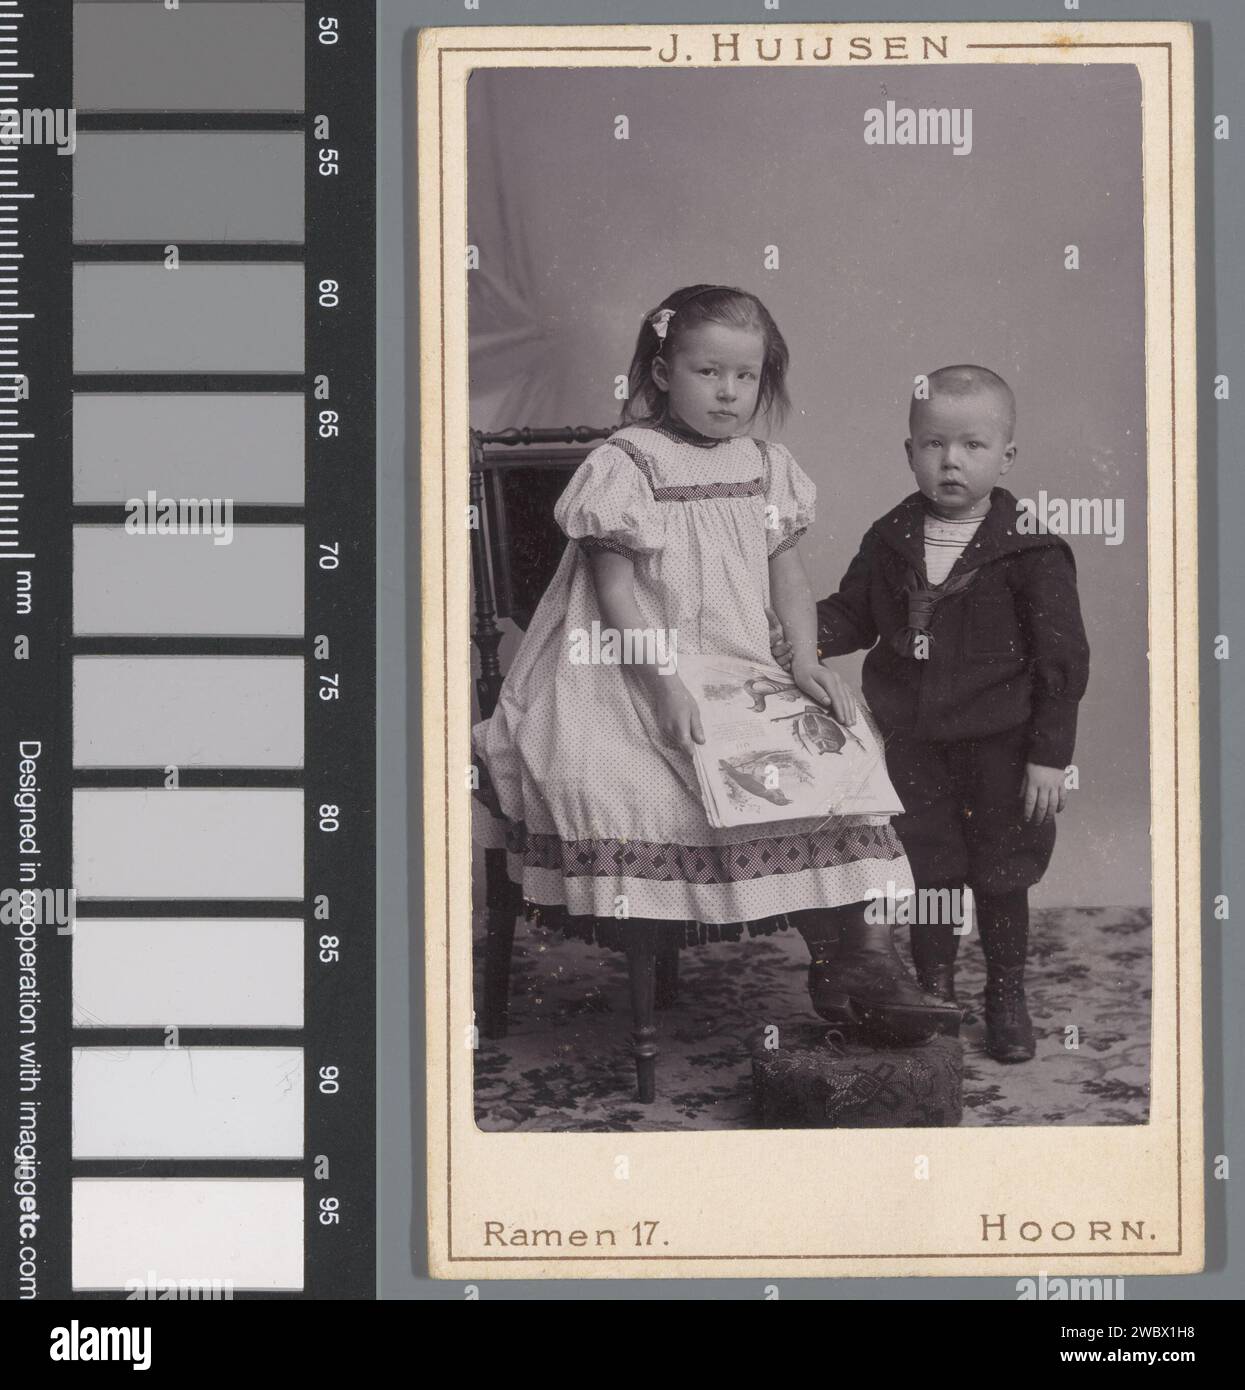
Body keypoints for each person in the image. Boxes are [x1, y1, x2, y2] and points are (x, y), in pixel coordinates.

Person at [472, 285, 957, 1054]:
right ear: (662, 372)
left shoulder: (766, 467)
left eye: (746, 376)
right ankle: (831, 957)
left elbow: (785, 575)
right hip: (618, 666)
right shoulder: (624, 464)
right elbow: (616, 593)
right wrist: (663, 688)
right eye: (708, 372)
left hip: (735, 659)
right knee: (638, 773)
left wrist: (801, 659)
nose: (729, 392)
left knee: (834, 749)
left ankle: (857, 963)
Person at [774, 365, 1090, 1062]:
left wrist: (1049, 756)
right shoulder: (891, 540)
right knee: (927, 871)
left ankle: (1004, 994)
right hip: (914, 743)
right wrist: (796, 637)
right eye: (932, 444)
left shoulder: (1028, 547)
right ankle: (931, 988)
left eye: (972, 447)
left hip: (1005, 747)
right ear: (908, 449)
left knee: (1003, 874)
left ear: (1005, 456)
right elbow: (853, 614)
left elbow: (1061, 661)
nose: (950, 461)